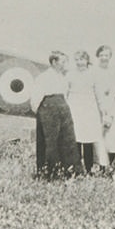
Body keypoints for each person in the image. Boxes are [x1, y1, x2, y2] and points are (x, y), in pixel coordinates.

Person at [30, 51, 83, 179]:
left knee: (67, 139)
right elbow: (36, 98)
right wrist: (42, 113)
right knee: (50, 141)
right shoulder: (43, 77)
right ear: (54, 62)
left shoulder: (63, 77)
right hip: (49, 109)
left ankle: (69, 171)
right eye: (63, 62)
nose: (65, 64)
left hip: (63, 108)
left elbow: (65, 94)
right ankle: (49, 172)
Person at [67, 50, 107, 174]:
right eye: (77, 60)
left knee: (88, 138)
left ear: (87, 60)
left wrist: (103, 110)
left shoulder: (93, 74)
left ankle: (89, 168)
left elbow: (99, 94)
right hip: (74, 107)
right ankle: (77, 168)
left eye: (82, 60)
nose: (80, 62)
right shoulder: (70, 74)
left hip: (89, 108)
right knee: (76, 138)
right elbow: (65, 92)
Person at [93, 44, 115, 137]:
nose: (104, 58)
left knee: (109, 133)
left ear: (110, 56)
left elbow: (114, 90)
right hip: (95, 105)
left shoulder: (113, 72)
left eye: (106, 55)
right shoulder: (93, 71)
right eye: (101, 55)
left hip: (110, 104)